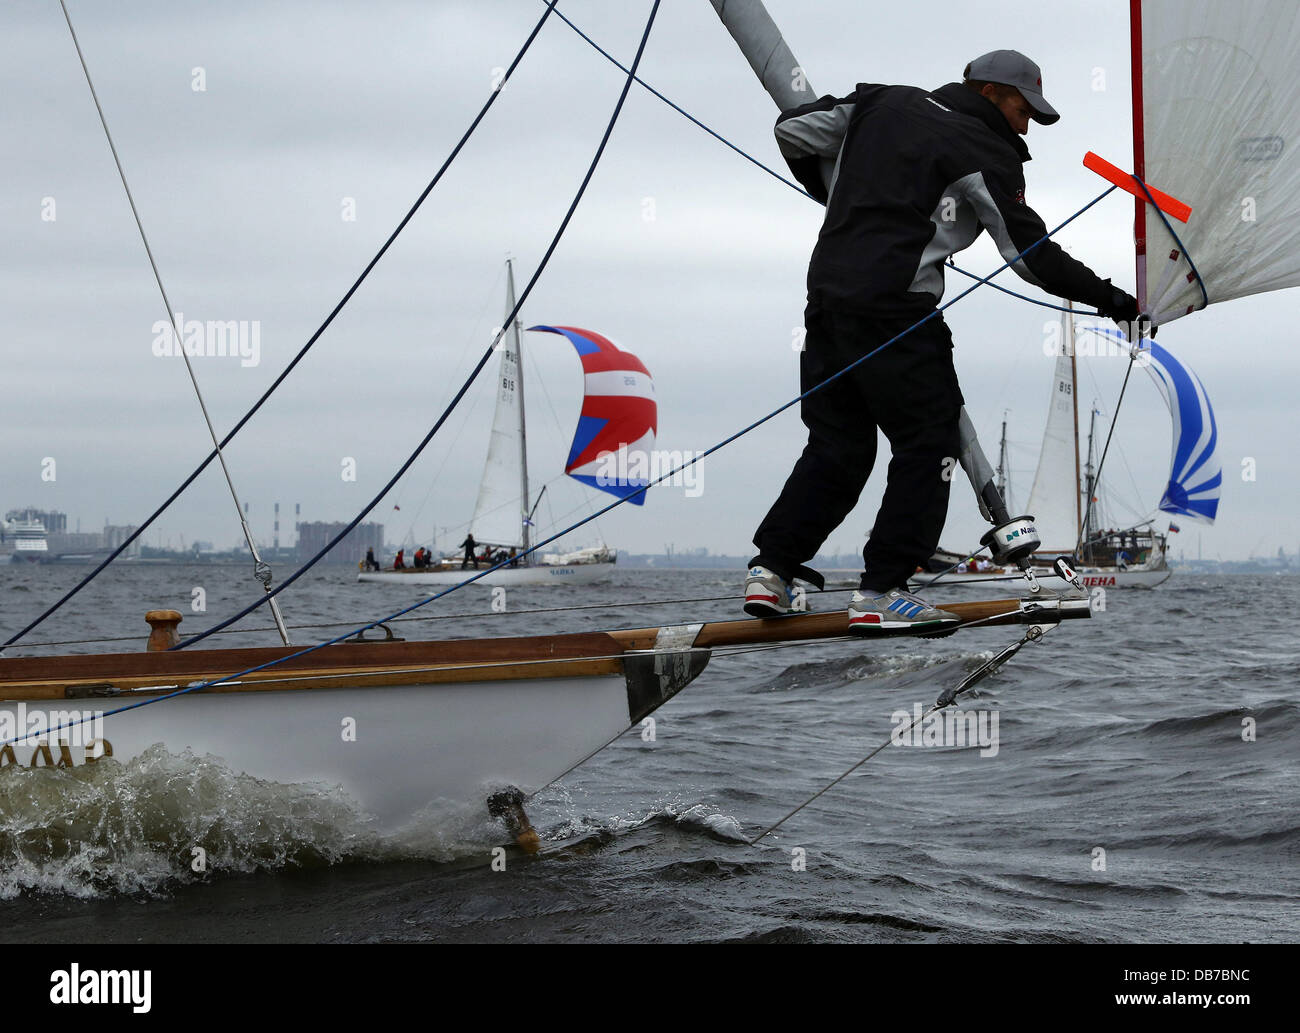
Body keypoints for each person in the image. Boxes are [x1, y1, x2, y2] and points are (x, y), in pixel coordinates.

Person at [744, 50, 1139, 633]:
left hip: (826, 303)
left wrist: (836, 193)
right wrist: (1117, 302)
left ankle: (770, 572)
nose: (1026, 124)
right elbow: (1032, 259)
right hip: (899, 311)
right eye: (1022, 108)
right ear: (988, 93)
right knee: (930, 448)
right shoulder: (987, 153)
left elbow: (794, 130)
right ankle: (884, 587)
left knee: (838, 449)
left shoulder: (881, 100)